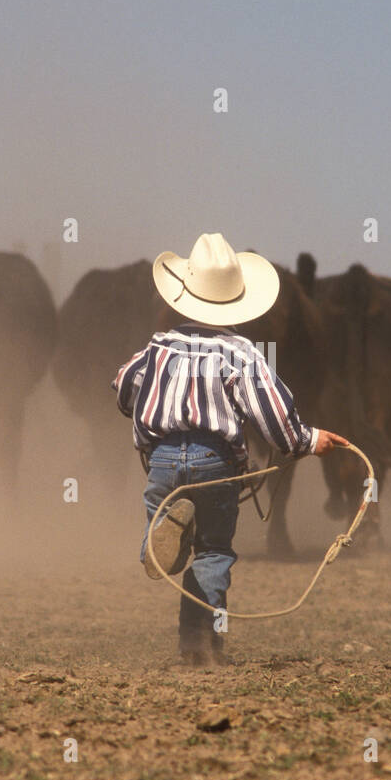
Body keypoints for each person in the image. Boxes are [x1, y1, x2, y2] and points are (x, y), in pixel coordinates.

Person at [112, 233, 348, 665]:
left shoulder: (156, 348)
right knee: (214, 551)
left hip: (162, 459)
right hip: (215, 462)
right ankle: (199, 643)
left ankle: (159, 539)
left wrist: (147, 417)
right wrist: (310, 440)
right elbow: (273, 417)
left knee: (166, 525)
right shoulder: (242, 354)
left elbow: (124, 388)